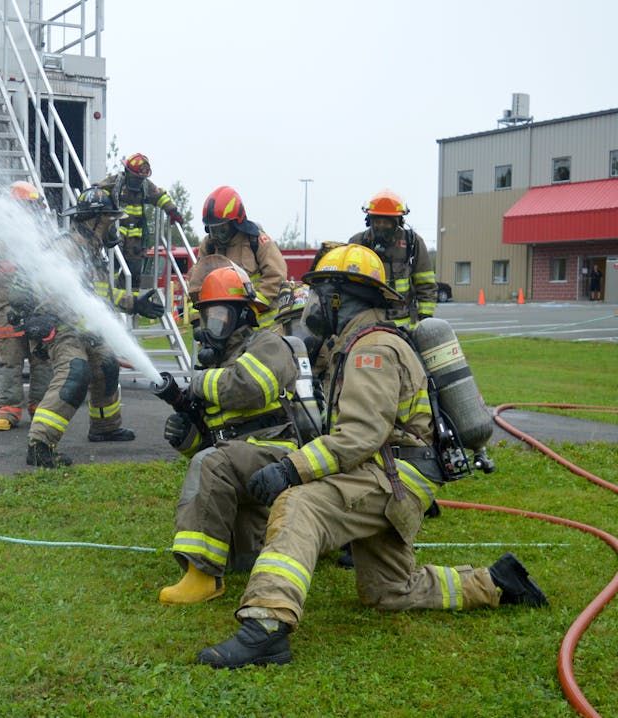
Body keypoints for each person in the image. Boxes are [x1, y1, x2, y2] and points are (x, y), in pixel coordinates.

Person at [196, 244, 548, 670]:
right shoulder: (359, 344)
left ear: (340, 299)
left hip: (391, 474)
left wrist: (291, 469)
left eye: (319, 295)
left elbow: (361, 435)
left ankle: (266, 627)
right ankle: (496, 583)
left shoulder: (371, 350)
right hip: (395, 473)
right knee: (388, 590)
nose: (312, 306)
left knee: (300, 505)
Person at [159, 261, 305, 605]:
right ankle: (235, 553)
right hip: (242, 461)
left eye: (219, 316)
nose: (209, 328)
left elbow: (247, 387)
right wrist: (187, 438)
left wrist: (198, 383)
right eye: (206, 318)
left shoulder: (268, 345)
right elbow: (213, 440)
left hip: (276, 454)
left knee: (211, 463)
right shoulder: (216, 367)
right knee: (245, 558)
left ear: (242, 316)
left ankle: (201, 576)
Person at [24, 187, 166, 468]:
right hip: (61, 328)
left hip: (87, 330)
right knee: (75, 373)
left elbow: (101, 296)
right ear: (94, 221)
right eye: (110, 221)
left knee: (107, 365)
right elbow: (36, 284)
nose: (114, 228)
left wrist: (134, 302)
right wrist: (35, 317)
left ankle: (105, 427)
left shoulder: (93, 252)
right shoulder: (66, 248)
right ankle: (39, 444)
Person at [0, 182, 54, 431]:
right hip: (7, 314)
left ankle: (41, 409)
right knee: (9, 363)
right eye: (28, 207)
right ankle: (8, 410)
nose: (32, 213)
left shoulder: (45, 240)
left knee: (43, 362)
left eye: (34, 208)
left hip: (39, 313)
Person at [187, 186, 288, 326]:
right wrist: (198, 321)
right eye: (213, 229)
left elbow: (276, 276)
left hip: (260, 325)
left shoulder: (256, 241)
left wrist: (252, 307)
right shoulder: (209, 245)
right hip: (222, 325)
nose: (217, 235)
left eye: (222, 229)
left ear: (236, 223)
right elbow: (196, 285)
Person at [347, 189, 436, 327]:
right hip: (366, 323)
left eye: (386, 222)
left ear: (398, 222)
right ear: (369, 220)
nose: (381, 226)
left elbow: (426, 285)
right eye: (377, 221)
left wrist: (425, 318)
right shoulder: (357, 243)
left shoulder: (412, 243)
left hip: (403, 325)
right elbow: (347, 286)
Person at [97, 153, 184, 288]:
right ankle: (108, 292)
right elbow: (99, 191)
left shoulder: (145, 186)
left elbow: (160, 197)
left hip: (136, 239)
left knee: (135, 271)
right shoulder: (116, 183)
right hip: (115, 234)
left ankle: (130, 298)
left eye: (141, 179)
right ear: (127, 172)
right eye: (135, 178)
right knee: (112, 265)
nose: (138, 181)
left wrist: (172, 211)